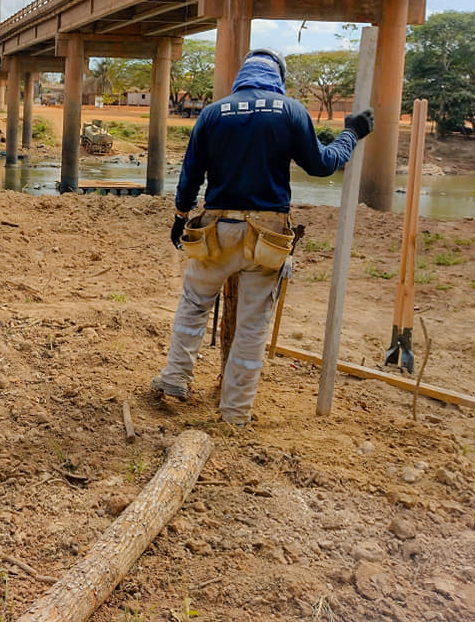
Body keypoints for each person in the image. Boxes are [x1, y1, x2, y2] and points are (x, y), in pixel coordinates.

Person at [151, 47, 374, 426]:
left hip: (217, 229)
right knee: (253, 324)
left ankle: (175, 379)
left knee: (193, 303)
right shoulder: (290, 110)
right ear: (278, 76)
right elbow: (322, 165)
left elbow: (191, 176)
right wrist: (351, 133)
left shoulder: (211, 113)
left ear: (243, 75)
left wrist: (180, 214)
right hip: (267, 235)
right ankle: (235, 412)